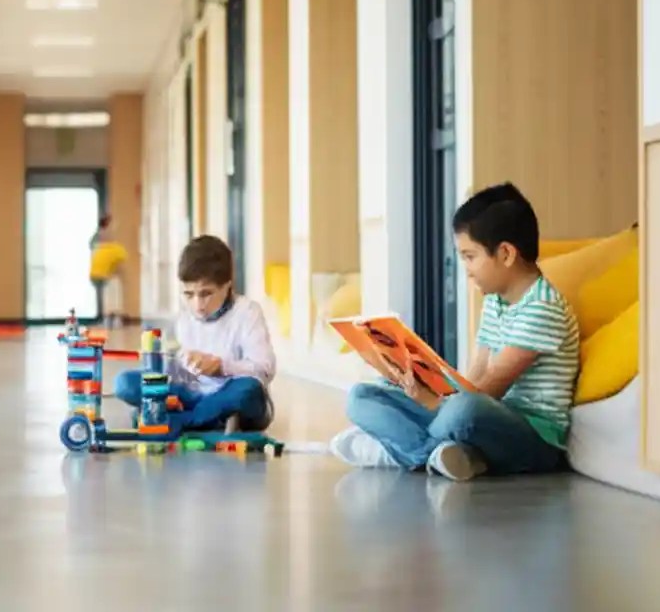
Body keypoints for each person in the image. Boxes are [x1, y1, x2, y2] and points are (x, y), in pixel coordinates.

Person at [331, 182, 579, 481]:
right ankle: (440, 454)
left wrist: (432, 403)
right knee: (362, 396)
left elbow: (488, 391)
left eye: (470, 256)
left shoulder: (542, 308)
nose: (466, 268)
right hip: (481, 416)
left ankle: (402, 451)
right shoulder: (495, 302)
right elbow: (474, 378)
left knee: (464, 410)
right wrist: (419, 384)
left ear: (505, 254)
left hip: (533, 438)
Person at [114, 235, 275, 433]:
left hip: (230, 393)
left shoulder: (248, 312)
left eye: (206, 294)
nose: (197, 306)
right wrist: (162, 364)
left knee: (248, 391)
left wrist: (221, 367)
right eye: (189, 294)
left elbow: (265, 370)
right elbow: (176, 371)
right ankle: (205, 419)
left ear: (227, 285)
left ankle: (179, 419)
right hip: (192, 394)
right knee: (125, 382)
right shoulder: (184, 315)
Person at [89, 216, 127, 328]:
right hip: (101, 273)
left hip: (104, 272)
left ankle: (111, 318)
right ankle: (109, 318)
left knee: (110, 293)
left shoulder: (103, 239)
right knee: (109, 294)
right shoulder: (101, 237)